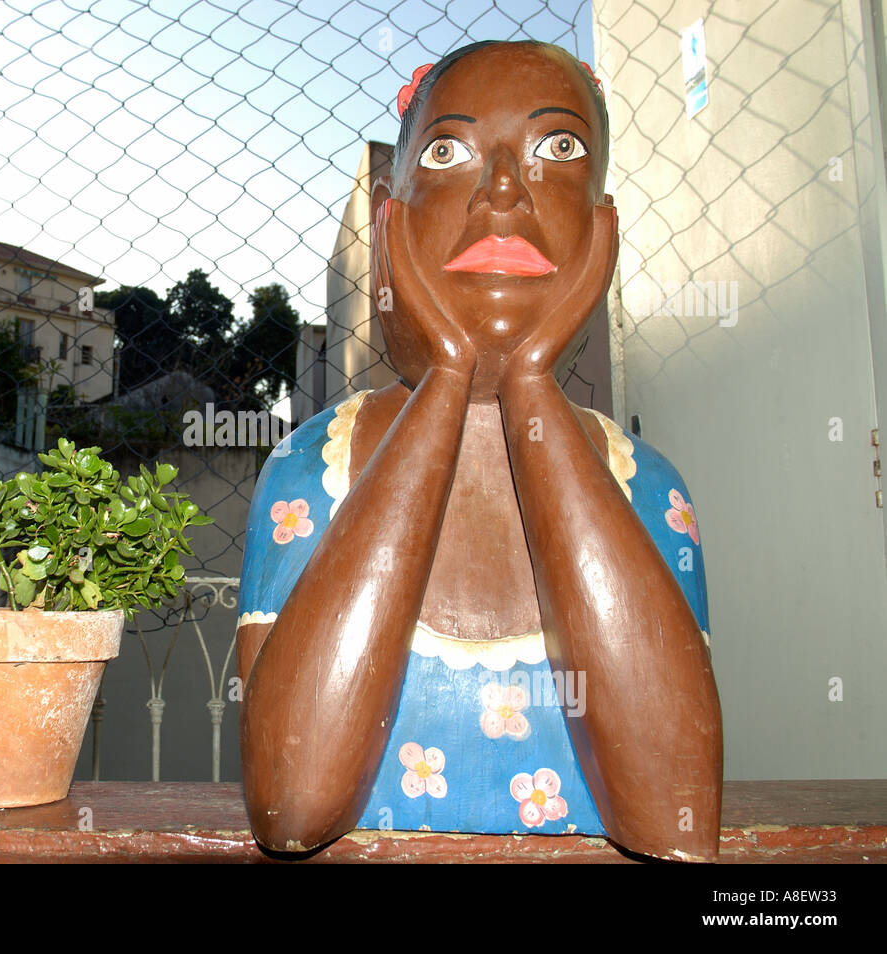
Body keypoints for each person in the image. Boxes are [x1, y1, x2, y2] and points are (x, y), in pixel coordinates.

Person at [236, 40, 723, 861]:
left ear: (602, 228)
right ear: (392, 220)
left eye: (557, 150)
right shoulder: (306, 473)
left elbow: (674, 822)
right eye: (449, 150)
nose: (502, 190)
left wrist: (529, 382)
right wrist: (451, 379)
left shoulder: (649, 490)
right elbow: (292, 806)